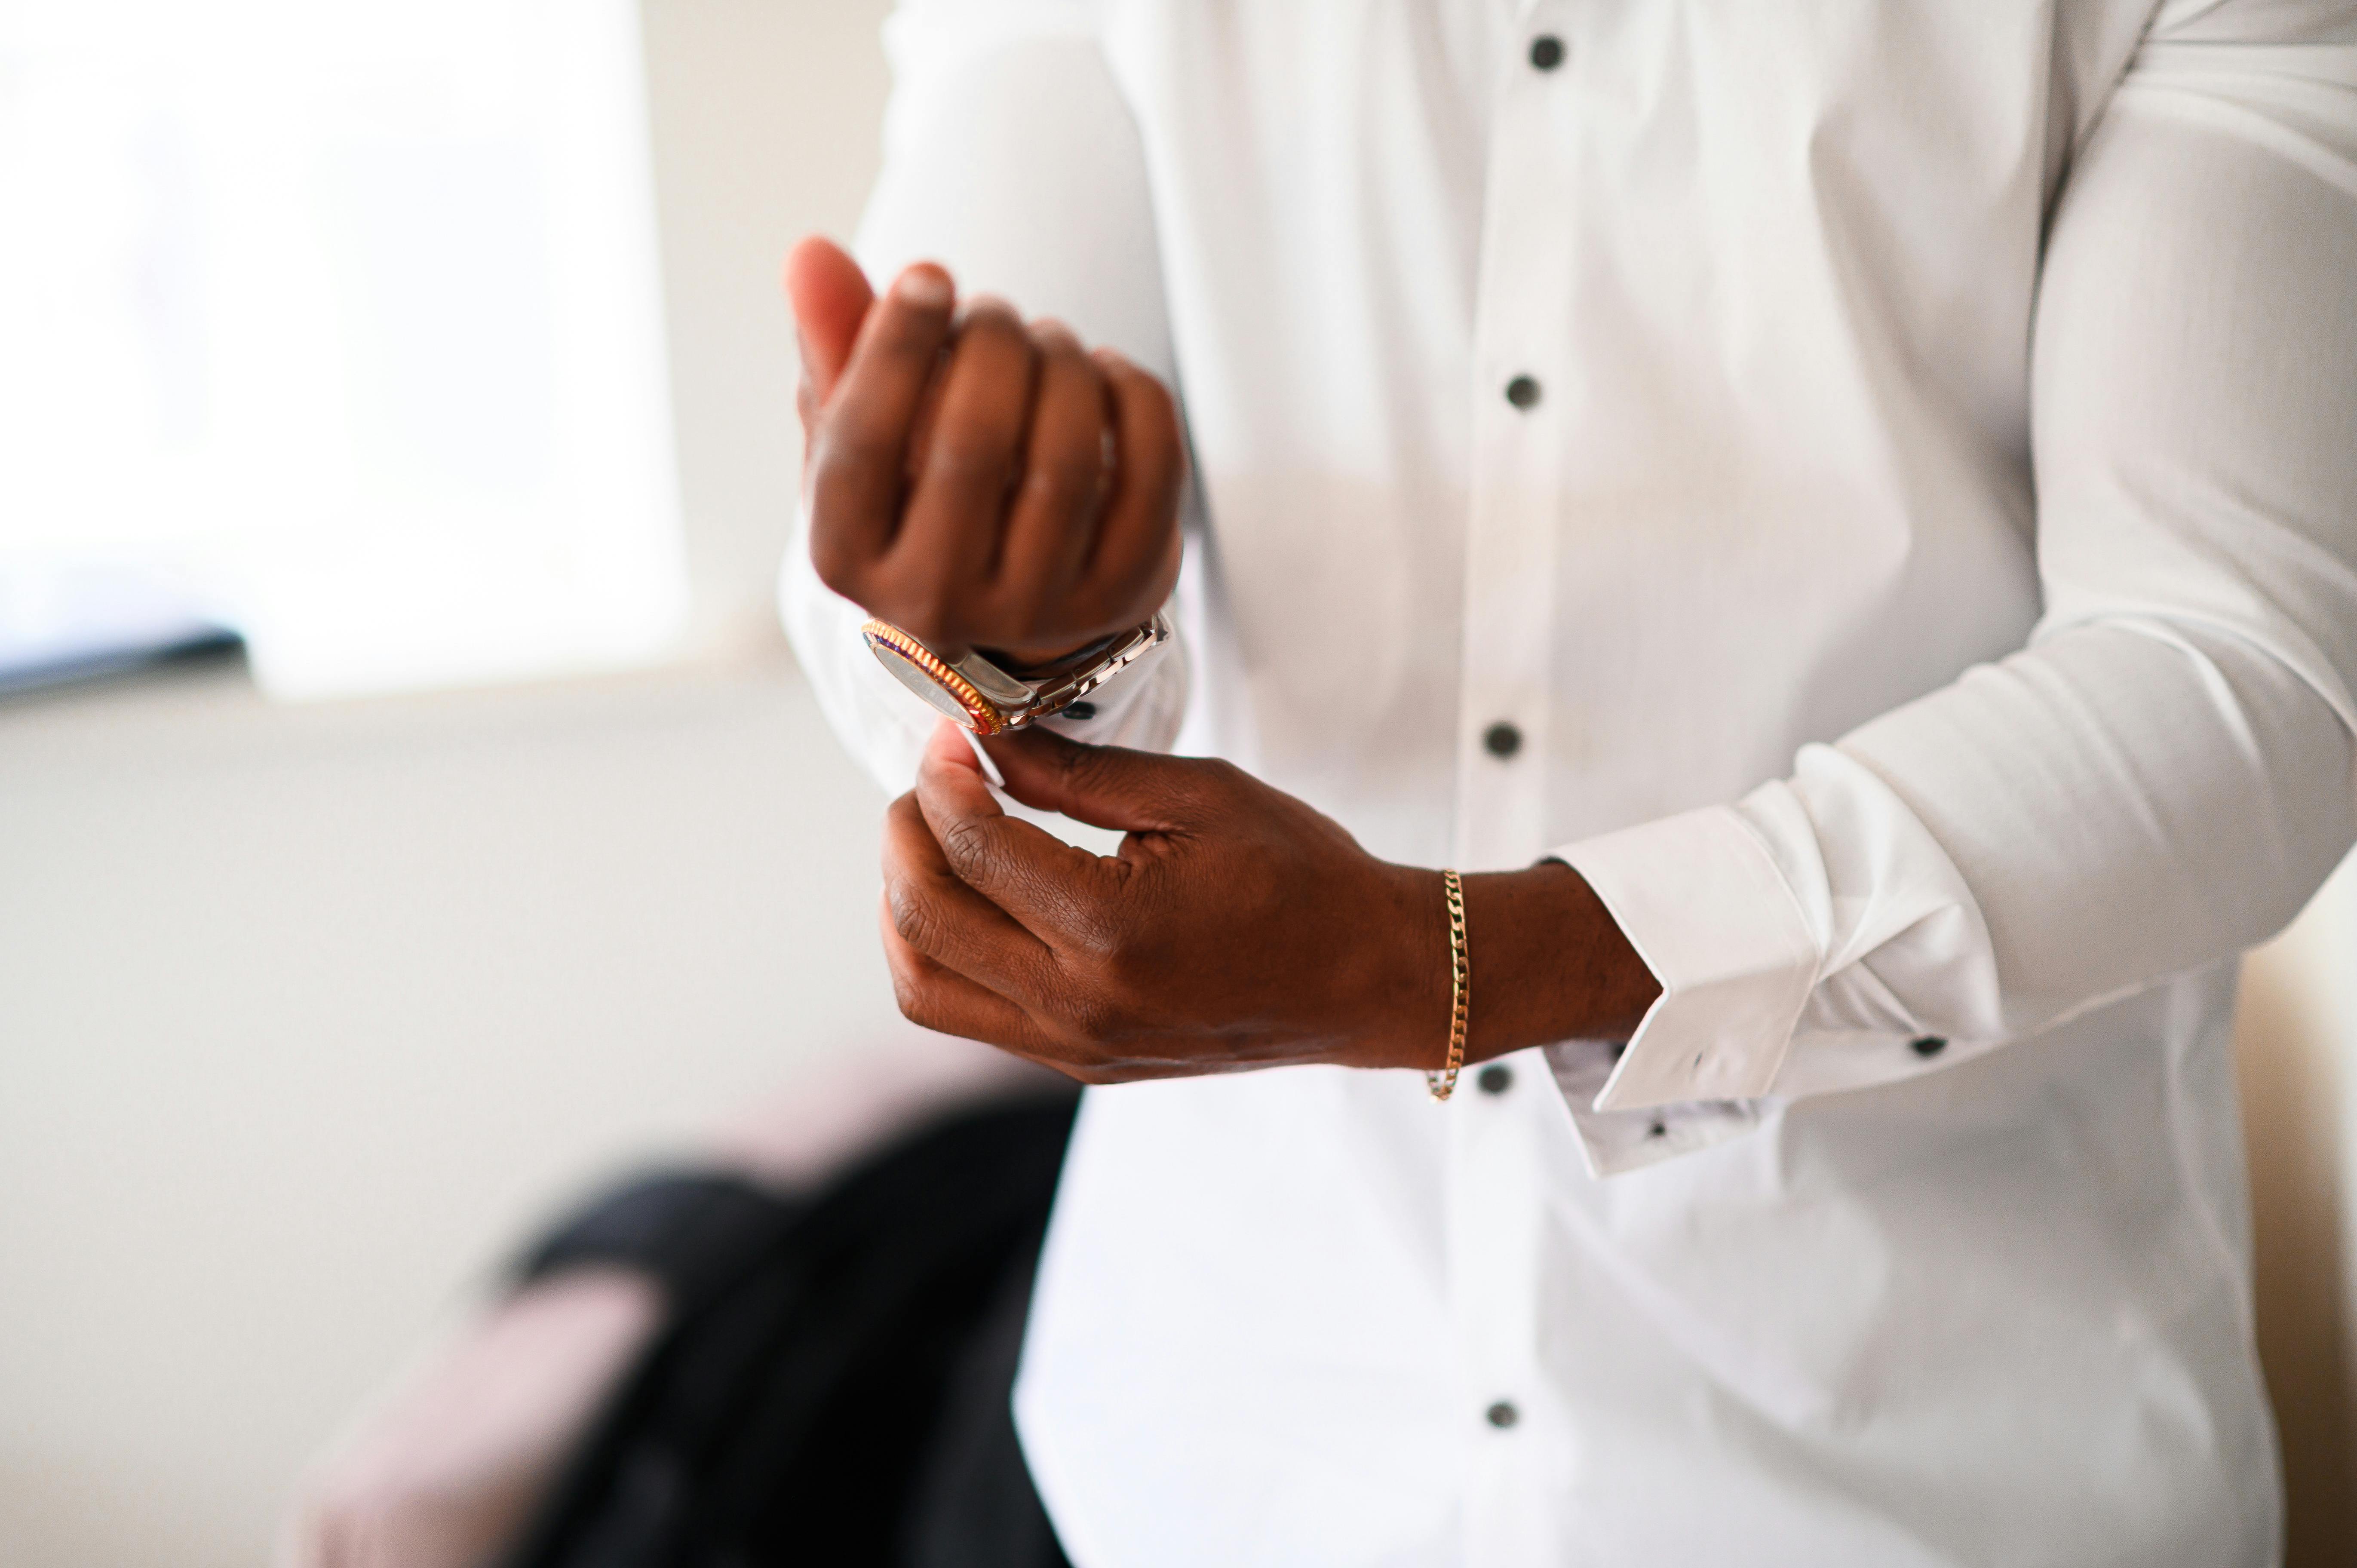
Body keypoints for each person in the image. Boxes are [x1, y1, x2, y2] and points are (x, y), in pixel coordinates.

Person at [779, 3, 2357, 1564]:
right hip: (1217, 1460)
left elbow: (2244, 675)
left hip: (1938, 1482)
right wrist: (1013, 637)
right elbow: (936, 480)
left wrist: (1460, 964)